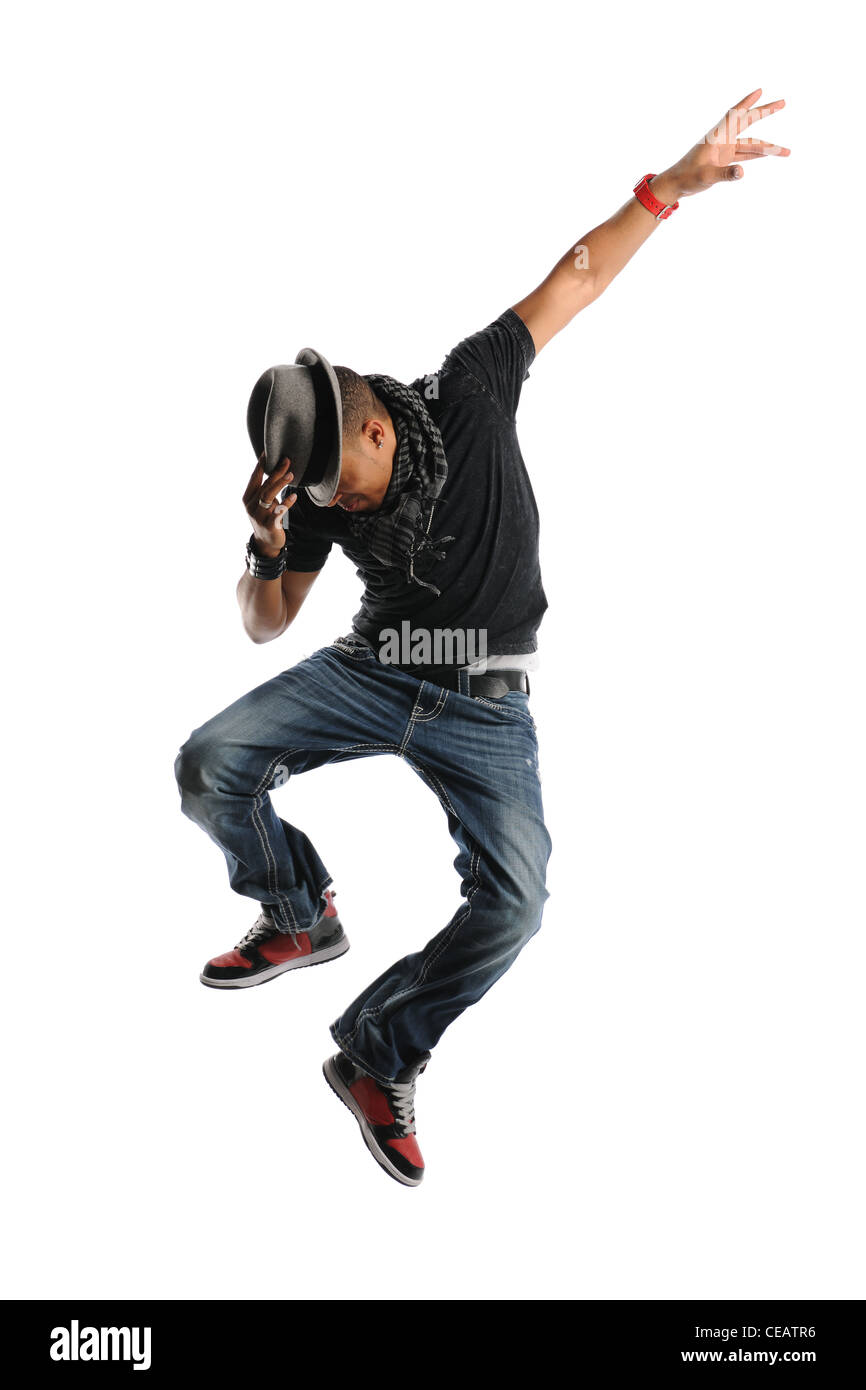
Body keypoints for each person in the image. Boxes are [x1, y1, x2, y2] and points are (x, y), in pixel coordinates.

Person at [174, 90, 788, 1186]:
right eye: (319, 501)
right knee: (209, 763)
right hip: (375, 673)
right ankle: (294, 908)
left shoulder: (467, 388)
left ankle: (378, 1050)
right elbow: (265, 626)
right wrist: (269, 547)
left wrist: (670, 186)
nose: (337, 508)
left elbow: (575, 275)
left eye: (341, 489)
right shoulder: (314, 495)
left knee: (517, 906)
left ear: (374, 426)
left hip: (484, 703)